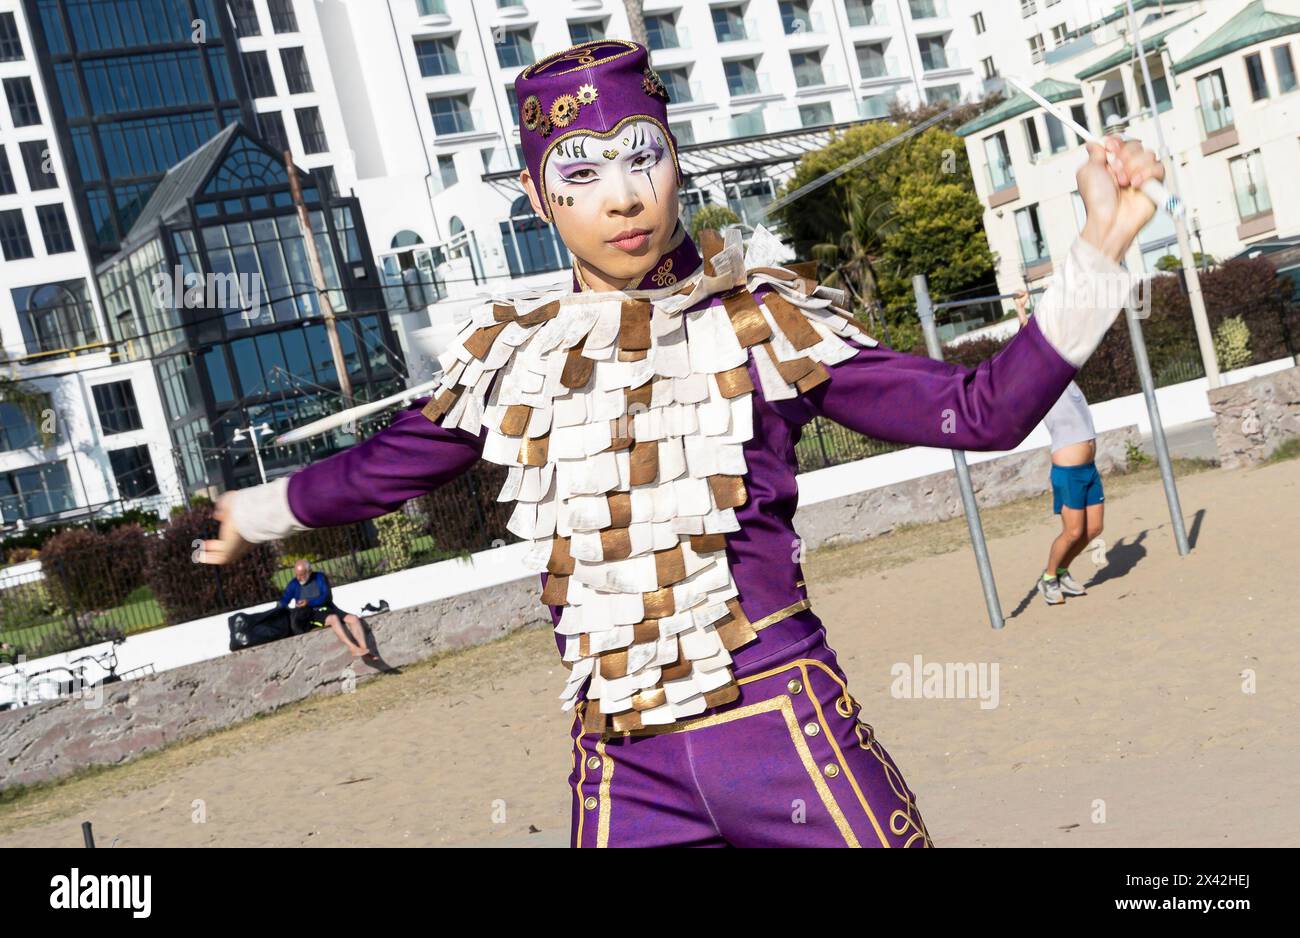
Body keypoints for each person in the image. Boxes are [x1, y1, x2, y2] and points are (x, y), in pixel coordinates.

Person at [199, 39, 1164, 847]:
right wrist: (254, 510)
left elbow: (983, 413)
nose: (621, 198)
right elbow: (378, 473)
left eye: (641, 157)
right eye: (580, 173)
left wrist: (1098, 250)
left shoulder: (768, 323)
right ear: (540, 200)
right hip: (621, 760)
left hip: (779, 721)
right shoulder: (511, 360)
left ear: (676, 164)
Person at [1014, 291, 1105, 606]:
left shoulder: (1070, 381)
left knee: (1093, 530)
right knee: (1072, 531)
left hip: (1089, 469)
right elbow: (1030, 346)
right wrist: (1021, 310)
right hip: (1067, 471)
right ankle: (1048, 578)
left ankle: (1063, 570)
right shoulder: (1044, 387)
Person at [278, 559, 370, 657]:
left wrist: (308, 602)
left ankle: (365, 650)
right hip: (311, 614)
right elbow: (283, 601)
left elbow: (327, 597)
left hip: (328, 608)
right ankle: (352, 647)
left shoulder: (319, 577)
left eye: (302, 574)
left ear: (309, 571)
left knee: (353, 619)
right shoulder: (293, 584)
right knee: (333, 618)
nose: (299, 578)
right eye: (297, 575)